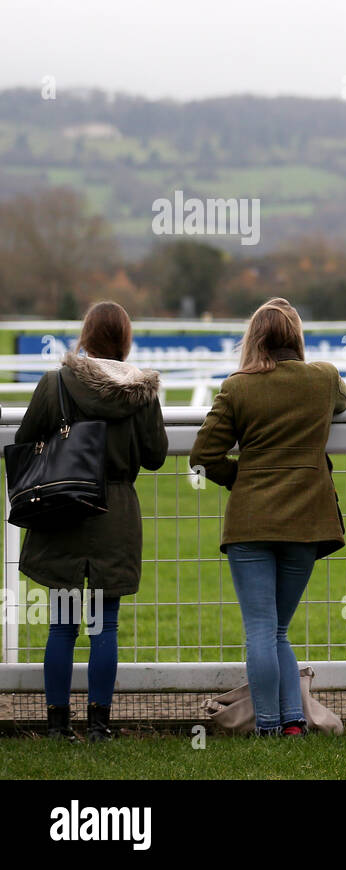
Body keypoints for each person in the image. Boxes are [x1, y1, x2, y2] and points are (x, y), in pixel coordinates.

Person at [190, 298, 346, 736]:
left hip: (251, 520)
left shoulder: (237, 386)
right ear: (296, 337)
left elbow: (204, 455)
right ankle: (293, 722)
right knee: (277, 629)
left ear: (254, 338)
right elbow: (341, 403)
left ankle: (270, 725)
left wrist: (240, 475)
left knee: (261, 629)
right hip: (306, 521)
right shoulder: (324, 378)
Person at [18, 302, 167, 741]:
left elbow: (27, 441)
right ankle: (100, 725)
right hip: (115, 512)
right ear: (125, 339)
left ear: (86, 335)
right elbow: (156, 455)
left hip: (62, 509)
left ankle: (57, 725)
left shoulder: (56, 384)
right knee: (105, 623)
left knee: (61, 624)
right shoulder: (140, 390)